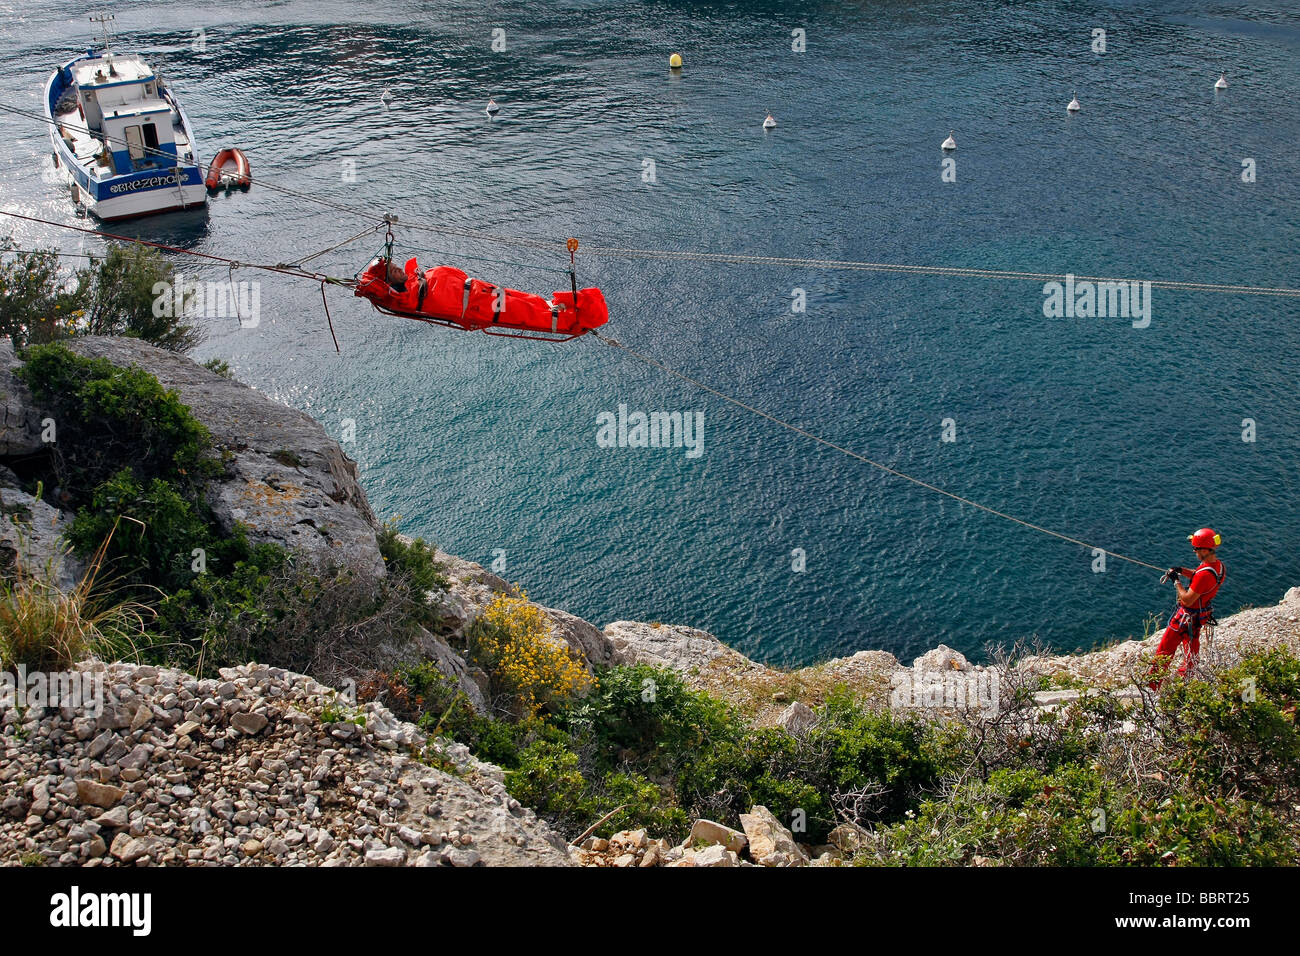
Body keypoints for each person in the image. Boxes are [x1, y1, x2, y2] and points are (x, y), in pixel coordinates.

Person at [1147, 528, 1225, 689]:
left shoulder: (1204, 574)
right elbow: (1198, 576)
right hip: (1198, 617)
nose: (1194, 552)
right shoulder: (1217, 567)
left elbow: (1187, 599)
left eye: (1196, 549)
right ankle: (1185, 685)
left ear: (1204, 550)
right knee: (1191, 653)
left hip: (1185, 617)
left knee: (1164, 652)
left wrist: (1176, 581)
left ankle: (1152, 687)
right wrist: (1181, 571)